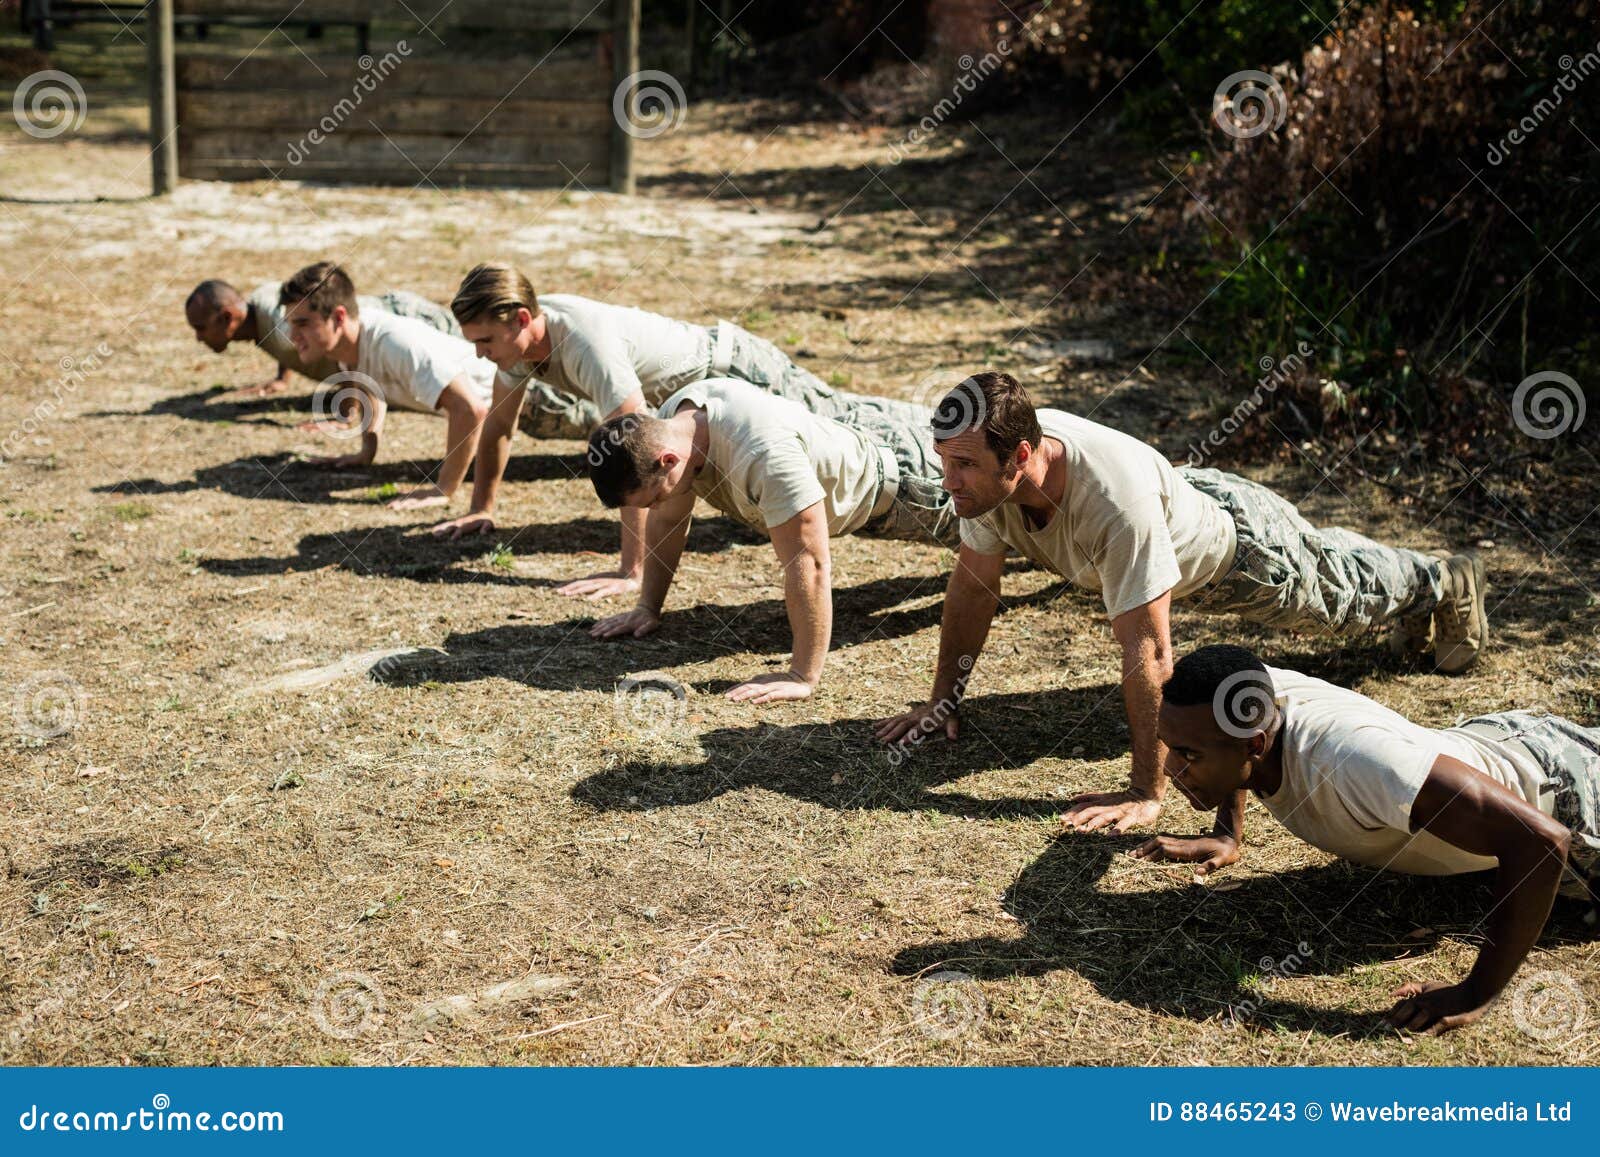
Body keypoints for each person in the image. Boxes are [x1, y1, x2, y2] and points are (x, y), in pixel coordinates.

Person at [875, 372, 1488, 833]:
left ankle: (1442, 581)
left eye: (963, 465)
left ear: (1022, 456)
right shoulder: (985, 485)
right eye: (943, 462)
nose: (948, 480)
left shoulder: (1113, 501)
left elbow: (1151, 649)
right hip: (1181, 500)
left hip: (1241, 551)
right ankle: (1425, 588)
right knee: (1345, 590)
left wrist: (1146, 792)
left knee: (1344, 596)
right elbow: (973, 588)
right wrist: (941, 701)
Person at [1135, 643, 1596, 1035]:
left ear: (1255, 746)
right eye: (1170, 747)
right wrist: (1226, 833)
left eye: (1188, 755)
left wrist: (1476, 993)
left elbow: (1541, 841)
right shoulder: (1240, 697)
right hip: (1488, 747)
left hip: (1568, 793)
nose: (1172, 769)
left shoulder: (1356, 763)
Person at [429, 263, 858, 600]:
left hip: (738, 371)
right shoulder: (516, 346)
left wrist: (630, 572)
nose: (479, 354)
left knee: (852, 425)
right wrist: (481, 508)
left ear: (522, 319)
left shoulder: (586, 347)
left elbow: (636, 459)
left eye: (484, 341)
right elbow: (501, 424)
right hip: (698, 400)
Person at [584, 377, 957, 703]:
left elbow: (808, 563)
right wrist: (647, 607)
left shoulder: (763, 455)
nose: (656, 506)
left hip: (910, 489)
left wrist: (801, 675)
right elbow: (668, 522)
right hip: (855, 438)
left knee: (1004, 533)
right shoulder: (673, 422)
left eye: (654, 497)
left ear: (667, 461)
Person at [279, 262, 493, 513]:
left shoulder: (394, 343)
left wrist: (442, 488)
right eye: (291, 323)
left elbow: (470, 409)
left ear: (338, 317)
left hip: (536, 398)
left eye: (302, 323)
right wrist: (366, 452)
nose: (292, 335)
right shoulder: (348, 341)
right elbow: (367, 383)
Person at [184, 277, 460, 397]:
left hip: (414, 320)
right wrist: (283, 378)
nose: (198, 338)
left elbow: (348, 341)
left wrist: (350, 410)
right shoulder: (262, 310)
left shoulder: (280, 328)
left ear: (227, 318)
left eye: (201, 328)